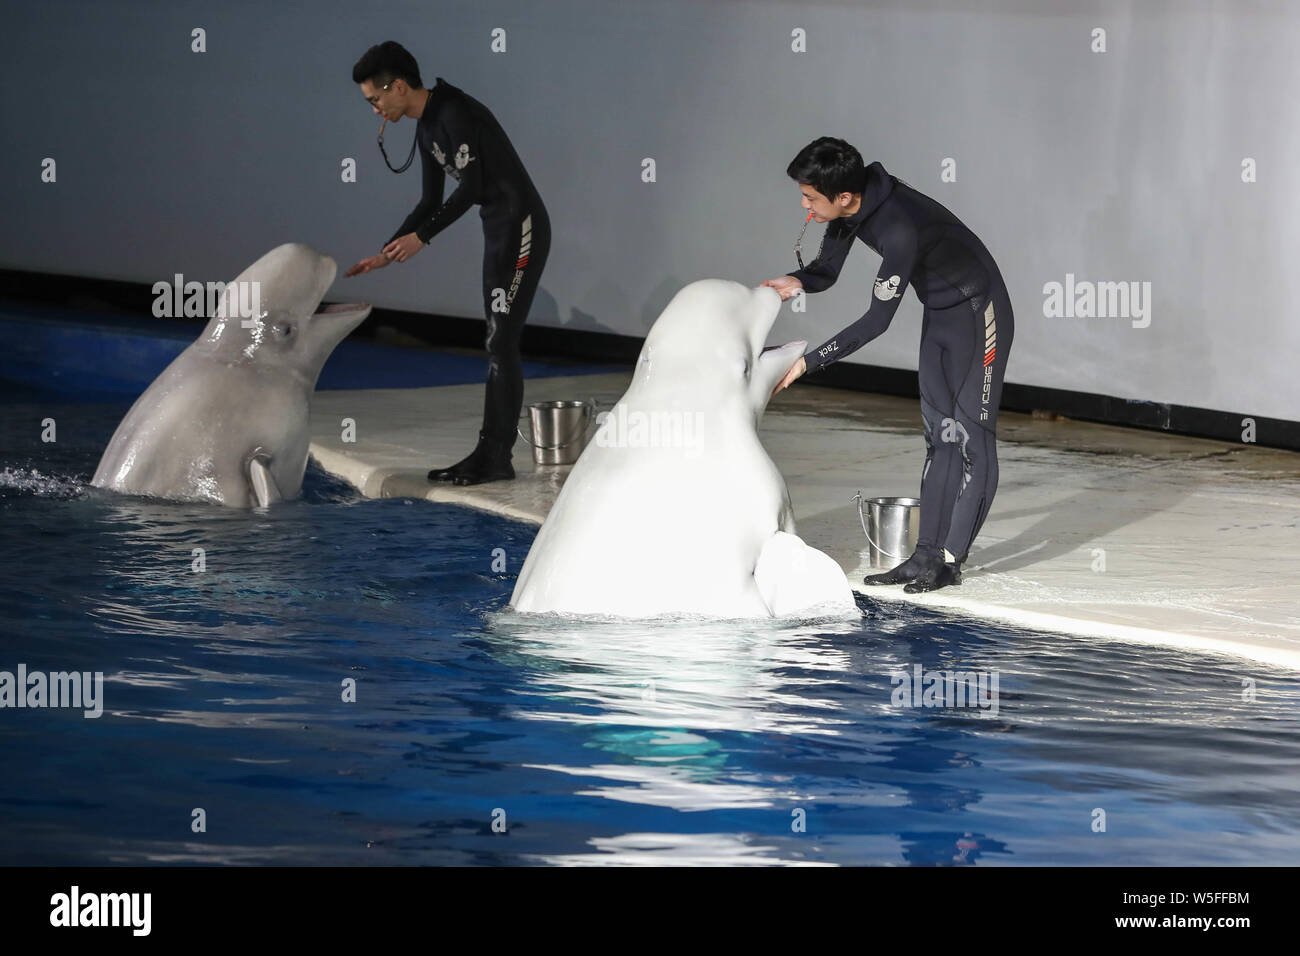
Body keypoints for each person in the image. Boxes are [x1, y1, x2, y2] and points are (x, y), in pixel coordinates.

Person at [763, 137, 1013, 593]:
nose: (804, 206)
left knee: (972, 438)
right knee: (940, 438)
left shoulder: (898, 226)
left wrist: (806, 364)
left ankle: (950, 563)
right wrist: (792, 281)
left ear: (843, 196)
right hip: (940, 315)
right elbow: (826, 271)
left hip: (980, 313)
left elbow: (877, 322)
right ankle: (924, 556)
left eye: (809, 197)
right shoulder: (852, 207)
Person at [345, 41, 551, 485]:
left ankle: (495, 455)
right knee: (496, 340)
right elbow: (430, 200)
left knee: (501, 342)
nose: (376, 109)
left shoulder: (454, 111)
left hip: (522, 224)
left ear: (398, 86)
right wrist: (386, 251)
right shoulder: (426, 126)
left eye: (376, 99)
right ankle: (488, 453)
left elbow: (472, 186)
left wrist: (422, 238)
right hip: (499, 228)